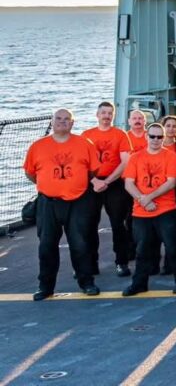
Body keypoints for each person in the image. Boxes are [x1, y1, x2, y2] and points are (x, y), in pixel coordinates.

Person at [23, 108, 101, 300]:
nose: (62, 121)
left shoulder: (84, 144)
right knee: (46, 246)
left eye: (67, 119)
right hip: (48, 203)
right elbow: (30, 173)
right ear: (52, 121)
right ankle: (45, 287)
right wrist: (49, 185)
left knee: (80, 244)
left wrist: (74, 184)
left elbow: (93, 171)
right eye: (58, 118)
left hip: (78, 201)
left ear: (72, 123)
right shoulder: (38, 146)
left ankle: (87, 282)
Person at [120, 122, 176, 296]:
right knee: (142, 250)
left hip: (166, 209)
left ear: (164, 138)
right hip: (141, 211)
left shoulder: (170, 156)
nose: (156, 140)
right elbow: (129, 183)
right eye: (152, 136)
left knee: (173, 247)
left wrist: (149, 197)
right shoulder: (136, 157)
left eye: (159, 137)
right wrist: (143, 200)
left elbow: (171, 182)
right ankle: (139, 284)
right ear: (146, 136)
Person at [83, 101, 134, 279]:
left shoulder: (120, 135)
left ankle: (121, 262)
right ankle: (91, 263)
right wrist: (95, 181)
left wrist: (108, 181)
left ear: (113, 115)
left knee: (118, 224)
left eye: (110, 113)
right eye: (103, 113)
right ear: (97, 115)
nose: (106, 116)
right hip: (93, 183)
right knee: (90, 225)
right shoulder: (87, 135)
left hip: (114, 184)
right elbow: (81, 162)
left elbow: (125, 161)